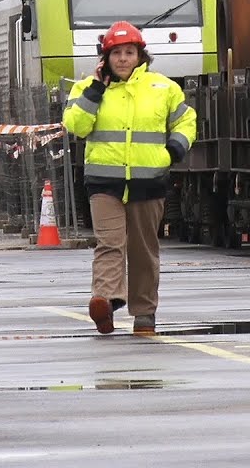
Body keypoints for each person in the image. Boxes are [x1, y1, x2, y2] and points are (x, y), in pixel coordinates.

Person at [62, 20, 196, 336]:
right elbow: (76, 126)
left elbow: (186, 121)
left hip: (148, 182)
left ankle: (144, 314)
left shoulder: (163, 88)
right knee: (109, 244)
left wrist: (174, 150)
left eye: (129, 52)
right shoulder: (85, 89)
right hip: (104, 184)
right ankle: (105, 302)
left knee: (143, 250)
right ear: (104, 58)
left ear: (140, 56)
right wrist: (97, 89)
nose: (123, 59)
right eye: (116, 53)